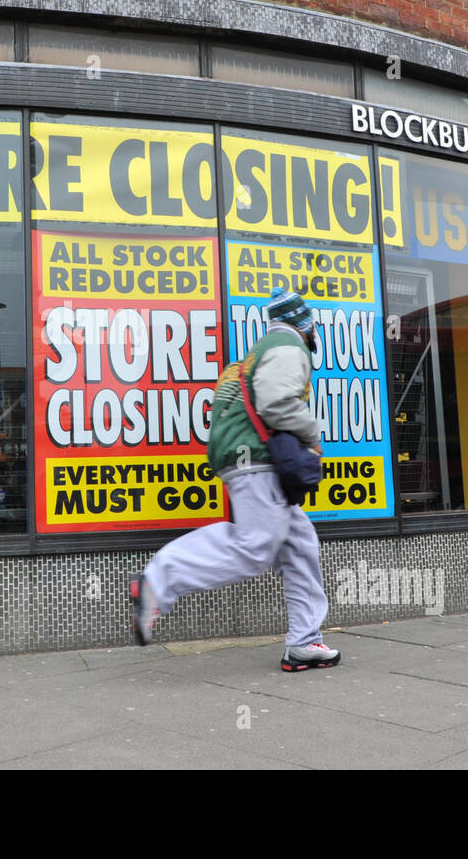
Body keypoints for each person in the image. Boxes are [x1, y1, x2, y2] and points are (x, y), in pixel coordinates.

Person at [130, 287, 339, 672]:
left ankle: (304, 642)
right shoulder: (287, 345)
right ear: (303, 323)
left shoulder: (249, 359)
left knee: (300, 546)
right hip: (256, 461)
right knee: (255, 546)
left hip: (242, 458)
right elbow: (277, 404)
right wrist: (312, 437)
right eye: (311, 325)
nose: (314, 333)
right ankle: (159, 580)